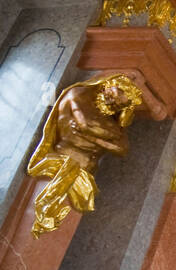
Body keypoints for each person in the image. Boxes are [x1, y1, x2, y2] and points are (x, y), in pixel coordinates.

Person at [27, 75, 144, 236]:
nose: (111, 103)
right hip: (60, 162)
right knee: (32, 219)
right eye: (111, 97)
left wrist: (94, 138)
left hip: (84, 173)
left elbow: (122, 148)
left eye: (117, 105)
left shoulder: (112, 121)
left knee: (61, 228)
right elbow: (85, 124)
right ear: (106, 86)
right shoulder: (78, 95)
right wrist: (109, 134)